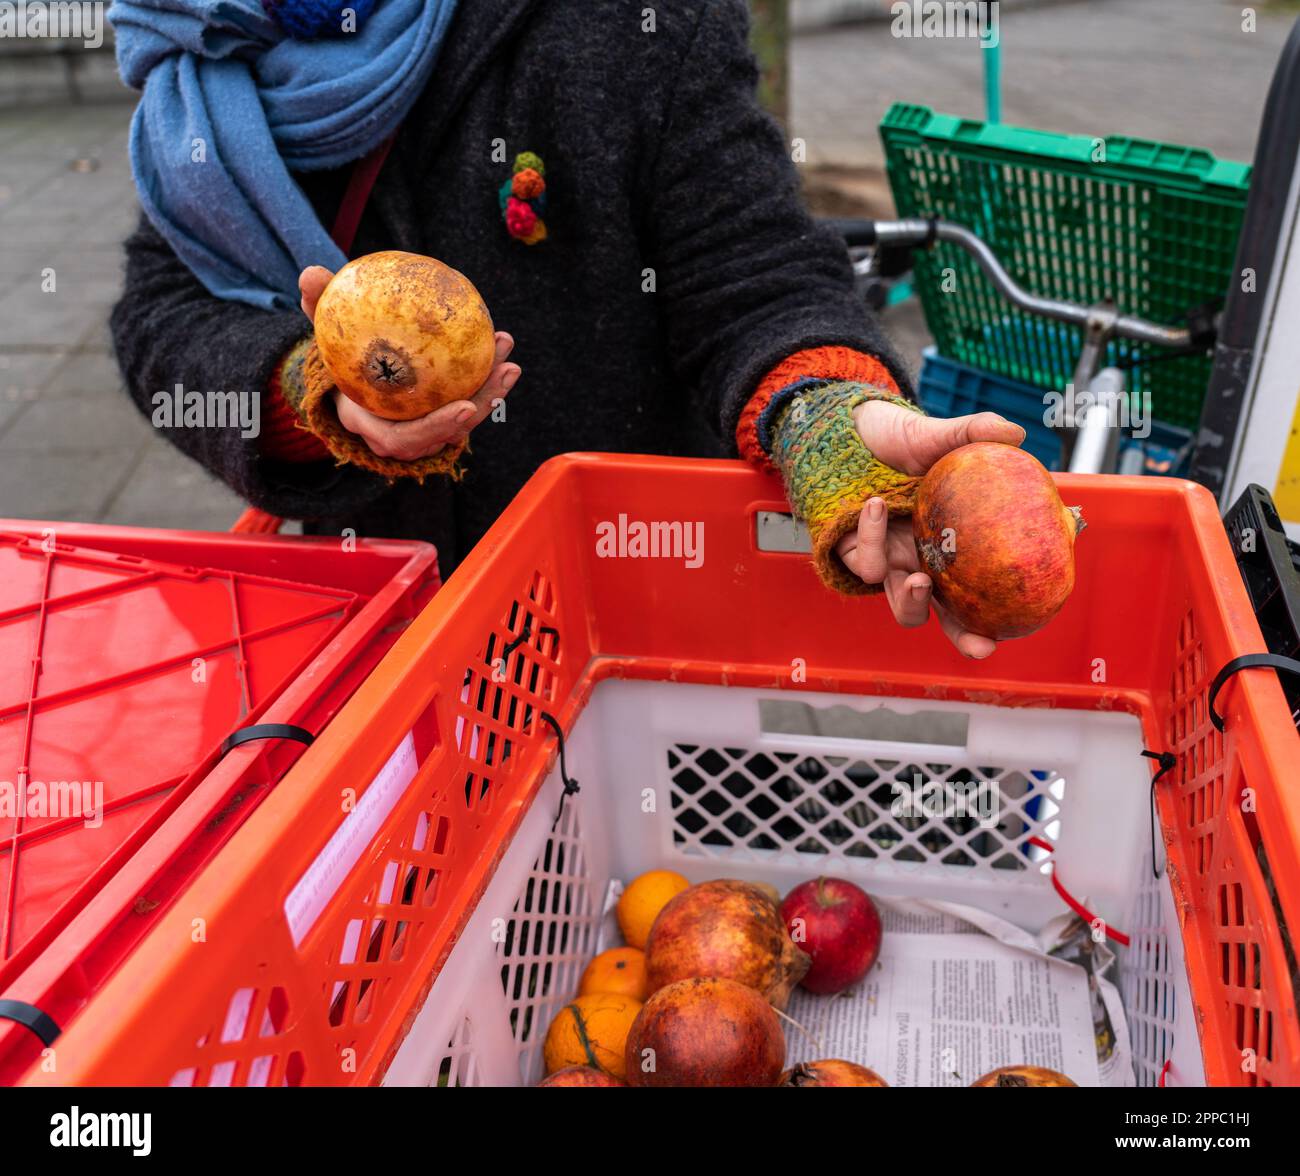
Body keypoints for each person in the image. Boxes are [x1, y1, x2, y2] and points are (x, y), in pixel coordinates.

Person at [109, 0, 1024, 657]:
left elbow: (752, 273)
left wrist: (828, 424)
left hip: (630, 615)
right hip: (383, 620)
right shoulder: (199, 56)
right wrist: (314, 394)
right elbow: (162, 315)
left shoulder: (634, 25)